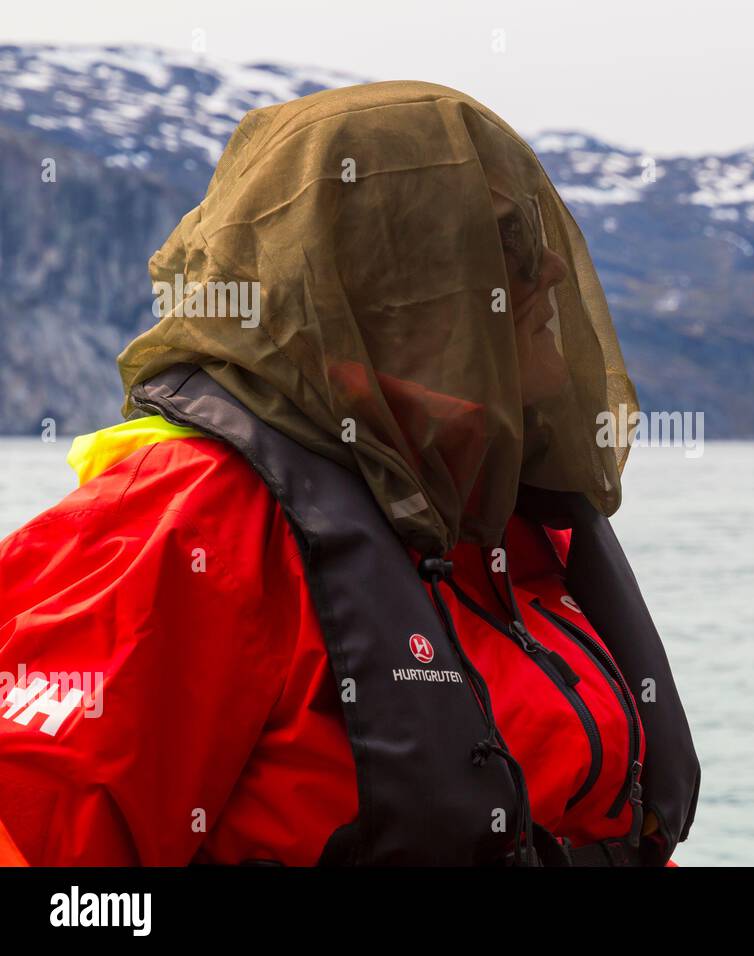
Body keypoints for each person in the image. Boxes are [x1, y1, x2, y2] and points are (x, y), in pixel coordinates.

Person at [0, 81, 700, 866]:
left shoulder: (508, 514)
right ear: (374, 298)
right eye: (499, 249)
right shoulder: (190, 525)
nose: (549, 279)